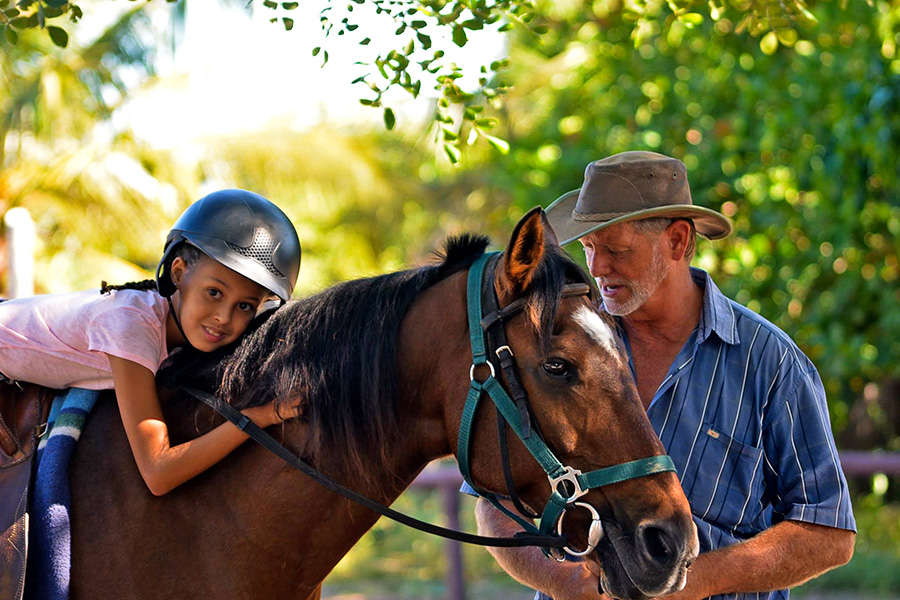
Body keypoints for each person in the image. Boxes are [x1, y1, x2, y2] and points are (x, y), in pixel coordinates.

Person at [472, 151, 856, 600]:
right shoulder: (554, 348)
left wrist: (693, 584)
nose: (596, 269)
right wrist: (572, 584)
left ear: (678, 241)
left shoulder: (771, 364)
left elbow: (829, 532)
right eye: (589, 248)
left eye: (615, 250)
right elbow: (494, 505)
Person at [0, 188, 303, 496]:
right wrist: (258, 418)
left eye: (244, 306)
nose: (224, 318)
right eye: (214, 292)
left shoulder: (165, 321)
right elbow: (158, 472)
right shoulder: (132, 326)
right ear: (179, 272)